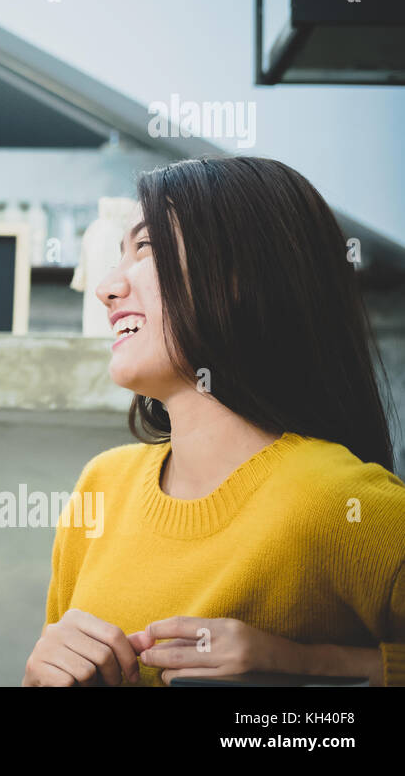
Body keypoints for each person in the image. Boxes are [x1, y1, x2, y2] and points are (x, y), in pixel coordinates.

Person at [23, 156, 405, 686]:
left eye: (146, 249)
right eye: (118, 257)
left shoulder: (341, 502)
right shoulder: (101, 487)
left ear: (239, 278)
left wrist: (309, 666)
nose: (107, 287)